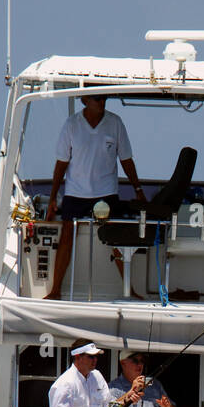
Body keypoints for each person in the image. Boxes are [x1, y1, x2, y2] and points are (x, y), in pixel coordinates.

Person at [44, 95, 148, 300]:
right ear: (85, 100)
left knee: (116, 236)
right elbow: (61, 164)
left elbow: (126, 160)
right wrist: (53, 198)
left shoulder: (115, 123)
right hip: (76, 193)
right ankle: (55, 291)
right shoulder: (72, 125)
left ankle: (130, 289)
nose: (102, 102)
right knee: (66, 235)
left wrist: (138, 189)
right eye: (97, 99)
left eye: (104, 98)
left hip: (106, 192)